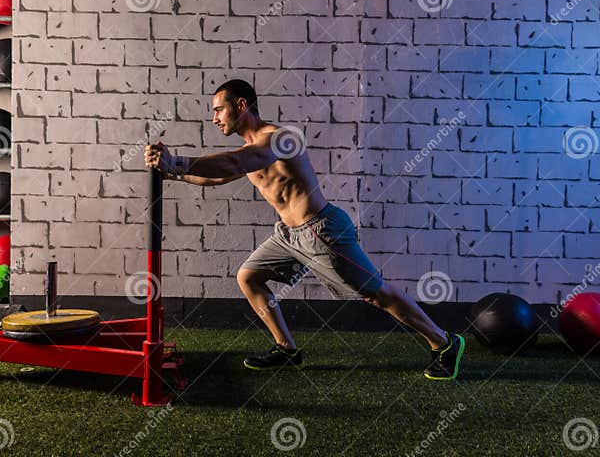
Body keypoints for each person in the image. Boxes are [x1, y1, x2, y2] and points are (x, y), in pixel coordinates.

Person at [144, 79, 465, 380]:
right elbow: (217, 177)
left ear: (241, 105)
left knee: (374, 294)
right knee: (249, 276)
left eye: (218, 109)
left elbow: (235, 163)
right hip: (289, 235)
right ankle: (286, 348)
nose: (214, 118)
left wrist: (180, 162)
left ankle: (444, 341)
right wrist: (171, 172)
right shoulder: (249, 147)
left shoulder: (280, 138)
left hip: (323, 232)